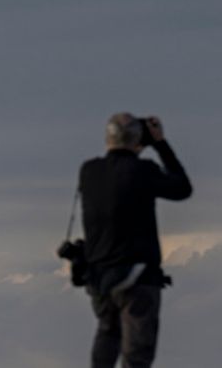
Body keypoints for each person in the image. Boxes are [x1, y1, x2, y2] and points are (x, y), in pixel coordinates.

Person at [79, 114, 193, 368]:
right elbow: (182, 189)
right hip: (138, 276)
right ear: (137, 139)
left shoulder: (88, 172)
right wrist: (160, 144)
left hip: (100, 277)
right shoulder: (143, 171)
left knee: (107, 334)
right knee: (137, 353)